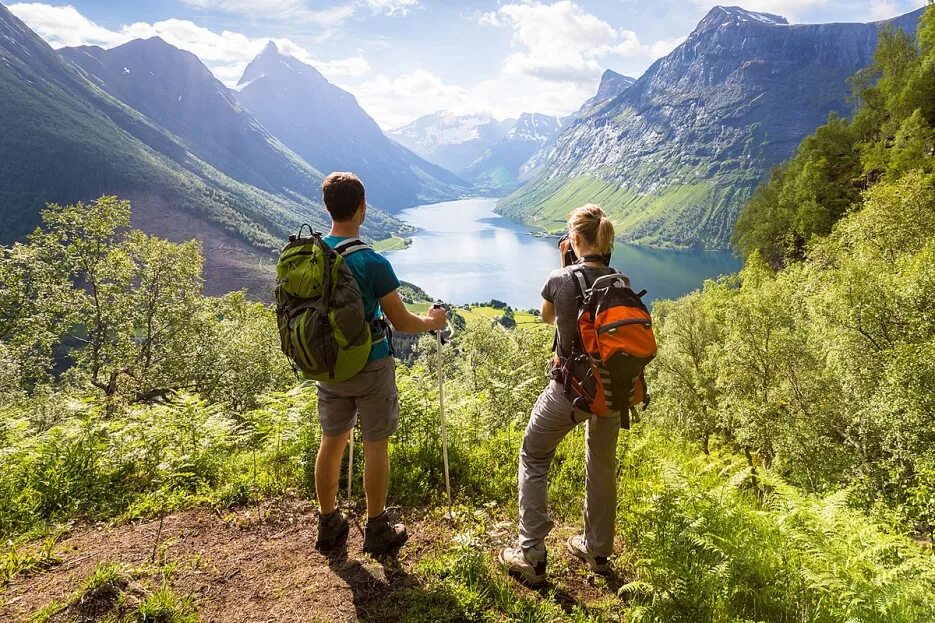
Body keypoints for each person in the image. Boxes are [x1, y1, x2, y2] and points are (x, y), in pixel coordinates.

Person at [314, 172, 447, 556]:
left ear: (328, 207)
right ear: (362, 207)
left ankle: (328, 523)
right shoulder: (372, 261)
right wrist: (432, 322)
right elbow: (402, 322)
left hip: (328, 365)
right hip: (370, 365)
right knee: (375, 445)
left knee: (331, 441)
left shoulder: (313, 254)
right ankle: (376, 528)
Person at [499, 204, 621, 585]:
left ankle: (531, 554)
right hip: (612, 392)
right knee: (601, 467)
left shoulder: (560, 277)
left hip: (569, 391)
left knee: (534, 455)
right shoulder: (621, 280)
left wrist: (565, 263)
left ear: (576, 239)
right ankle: (597, 552)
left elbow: (547, 316)